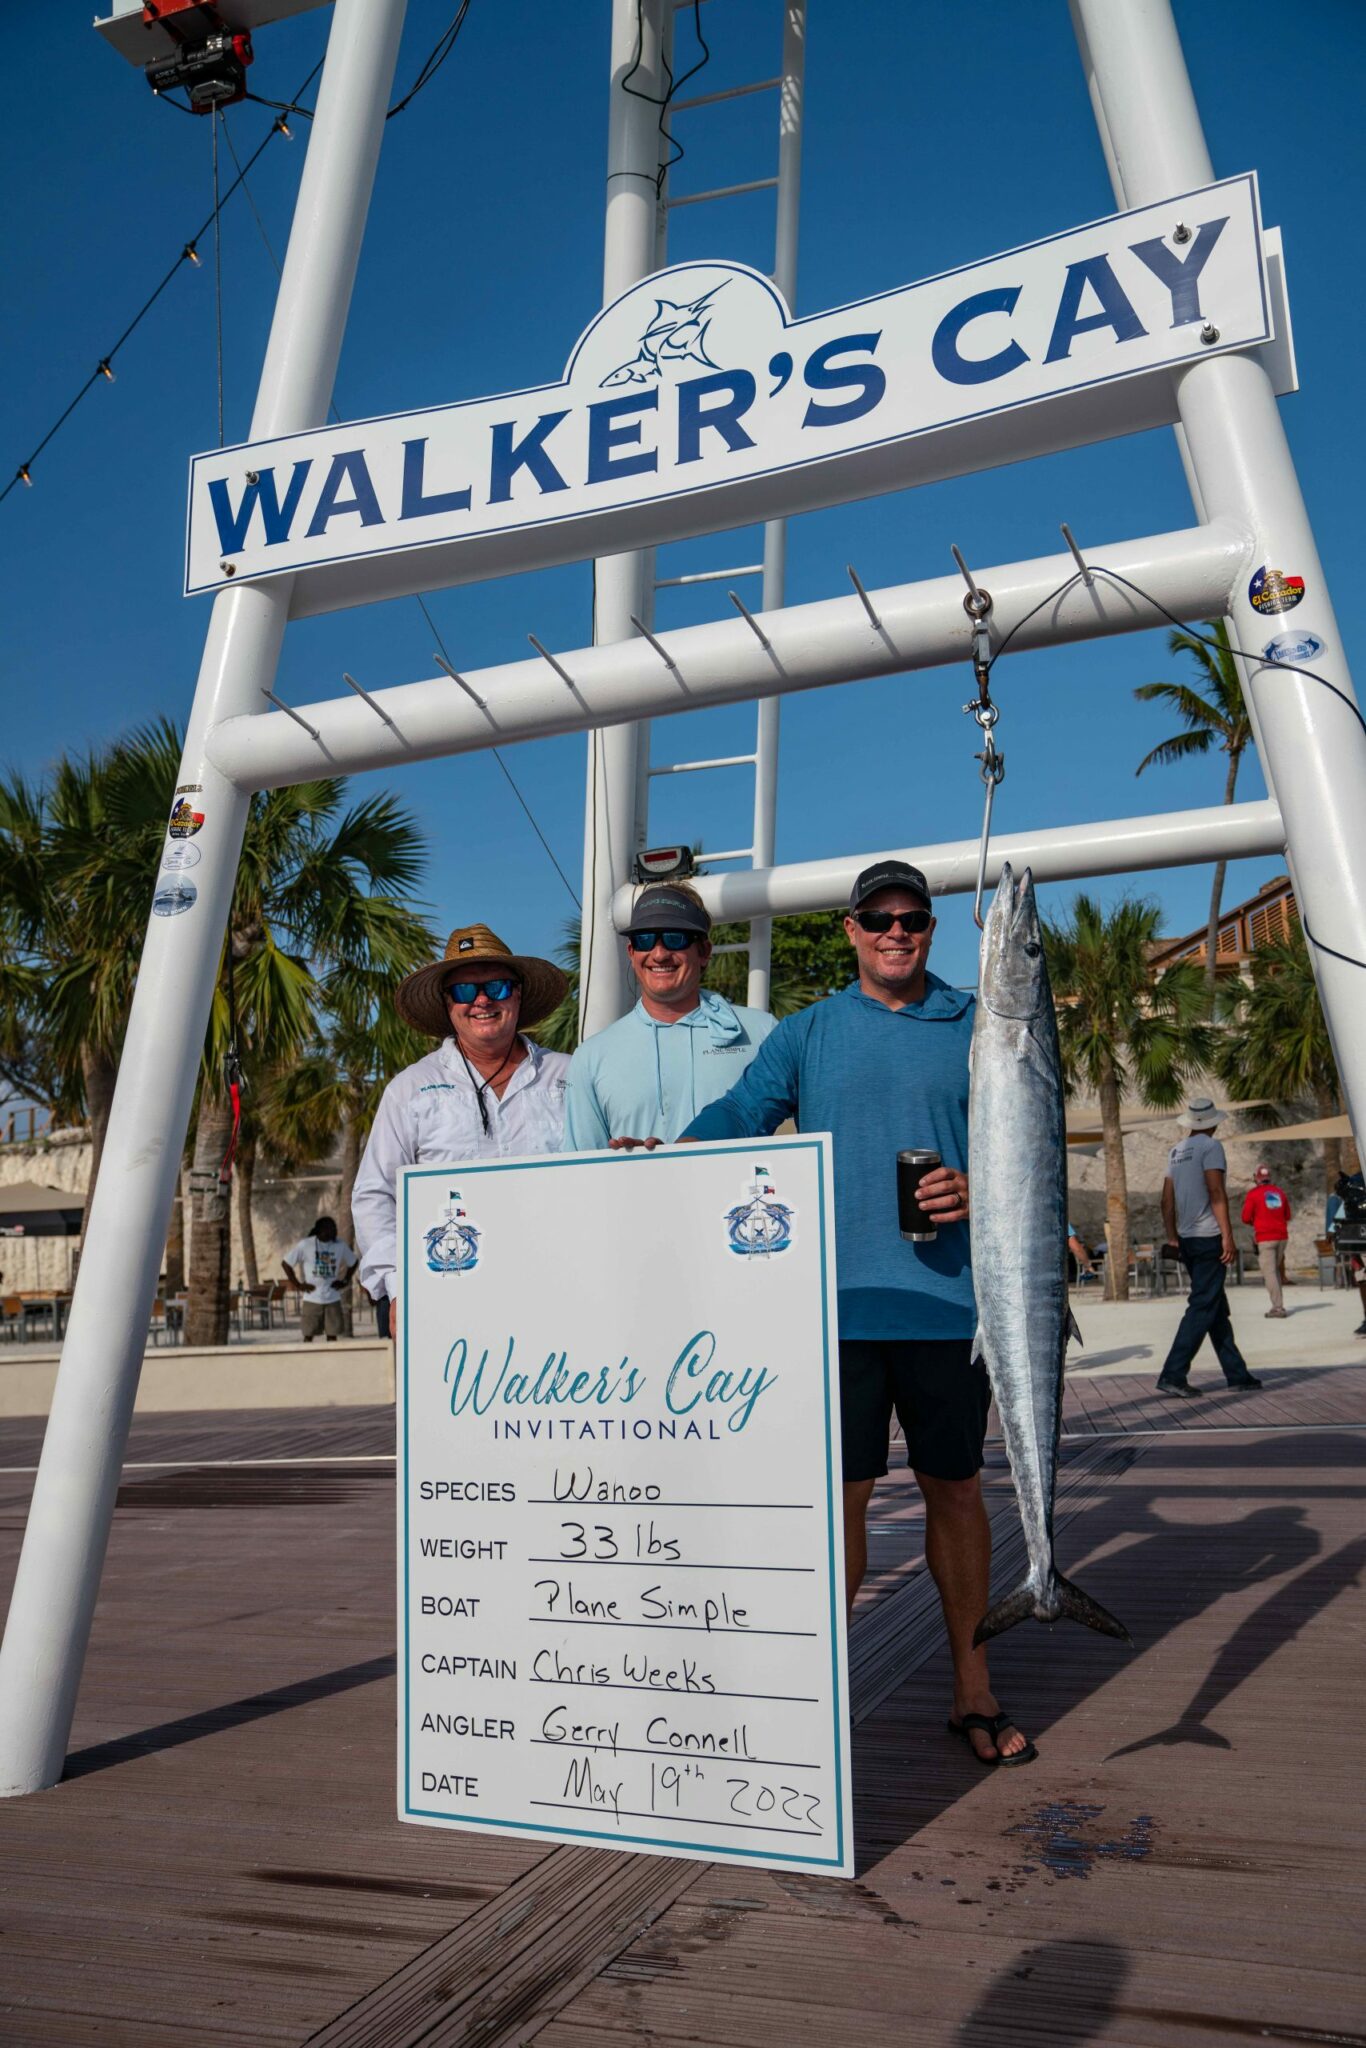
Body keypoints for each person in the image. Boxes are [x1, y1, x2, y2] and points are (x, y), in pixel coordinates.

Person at [679, 859, 1034, 1769]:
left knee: (955, 1490)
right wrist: (653, 1162)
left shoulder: (982, 1026)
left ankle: (973, 1686)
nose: (895, 932)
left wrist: (978, 1184)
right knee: (841, 1501)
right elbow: (740, 1114)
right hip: (831, 1311)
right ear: (850, 930)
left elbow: (1025, 1146)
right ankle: (812, 1701)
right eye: (877, 918)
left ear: (930, 929)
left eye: (911, 919)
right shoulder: (807, 1033)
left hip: (954, 1306)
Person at [352, 923, 571, 1336]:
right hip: (446, 1300)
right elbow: (375, 1194)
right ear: (448, 1004)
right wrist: (398, 1287)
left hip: (558, 1290)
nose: (483, 1000)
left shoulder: (570, 1076)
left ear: (518, 994)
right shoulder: (410, 1089)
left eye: (498, 988)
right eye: (466, 992)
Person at [561, 880, 775, 1150]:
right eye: (644, 940)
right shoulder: (591, 1057)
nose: (659, 954)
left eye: (675, 938)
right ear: (631, 952)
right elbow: (582, 1172)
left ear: (704, 952)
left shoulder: (763, 1032)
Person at [1156, 1098, 1262, 1396]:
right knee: (1202, 1305)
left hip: (1187, 1239)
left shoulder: (1175, 1152)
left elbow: (1166, 1201)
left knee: (1214, 1306)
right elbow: (1216, 1191)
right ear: (1213, 1122)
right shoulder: (1211, 1147)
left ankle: (1237, 1374)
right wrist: (1227, 1235)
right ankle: (1173, 1374)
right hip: (1208, 1236)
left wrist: (1172, 1236)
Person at [282, 1215, 357, 1342]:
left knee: (332, 1335)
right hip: (312, 1298)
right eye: (330, 1229)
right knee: (308, 1334)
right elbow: (286, 1264)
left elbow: (354, 1262)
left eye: (334, 1228)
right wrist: (298, 1285)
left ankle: (331, 1360)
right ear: (320, 1230)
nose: (334, 1231)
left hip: (332, 1298)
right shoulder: (306, 1244)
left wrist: (345, 1280)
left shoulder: (340, 1245)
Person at [1241, 1163, 1292, 1318]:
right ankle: (1278, 1303)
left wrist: (1256, 1221)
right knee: (1274, 1271)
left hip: (1265, 1238)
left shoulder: (1253, 1194)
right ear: (1269, 1178)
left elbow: (1245, 1217)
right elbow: (1287, 1215)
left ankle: (1278, 1307)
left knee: (1269, 1273)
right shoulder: (1279, 1192)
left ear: (1256, 1178)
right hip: (1282, 1236)